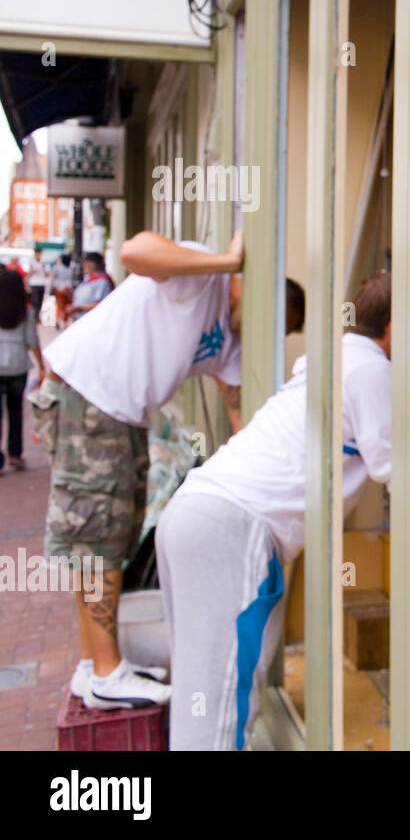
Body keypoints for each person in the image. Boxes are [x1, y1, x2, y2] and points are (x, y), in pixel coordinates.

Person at [30, 230, 306, 711]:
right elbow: (134, 252)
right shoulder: (200, 275)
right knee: (97, 537)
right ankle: (105, 673)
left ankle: (94, 663)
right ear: (264, 300)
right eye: (276, 327)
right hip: (88, 395)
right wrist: (225, 261)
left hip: (121, 413)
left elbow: (239, 411)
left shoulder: (233, 338)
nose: (266, 339)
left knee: (115, 535)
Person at [156, 272, 392, 750]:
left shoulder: (330, 360)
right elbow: (399, 470)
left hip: (197, 513)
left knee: (206, 694)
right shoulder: (371, 371)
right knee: (221, 710)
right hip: (232, 529)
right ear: (399, 326)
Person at [0, 268, 44, 473]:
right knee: (15, 411)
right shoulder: (25, 311)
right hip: (18, 365)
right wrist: (41, 367)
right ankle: (15, 454)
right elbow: (32, 341)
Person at [66, 252, 114, 322]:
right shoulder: (88, 279)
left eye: (85, 263)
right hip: (82, 320)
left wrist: (79, 308)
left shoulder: (103, 281)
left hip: (93, 322)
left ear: (90, 264)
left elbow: (103, 304)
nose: (84, 266)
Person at [51, 254, 73, 328]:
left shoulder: (57, 267)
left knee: (59, 306)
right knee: (66, 306)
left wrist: (52, 287)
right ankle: (65, 321)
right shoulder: (71, 268)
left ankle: (58, 319)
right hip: (68, 289)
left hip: (59, 289)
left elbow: (53, 278)